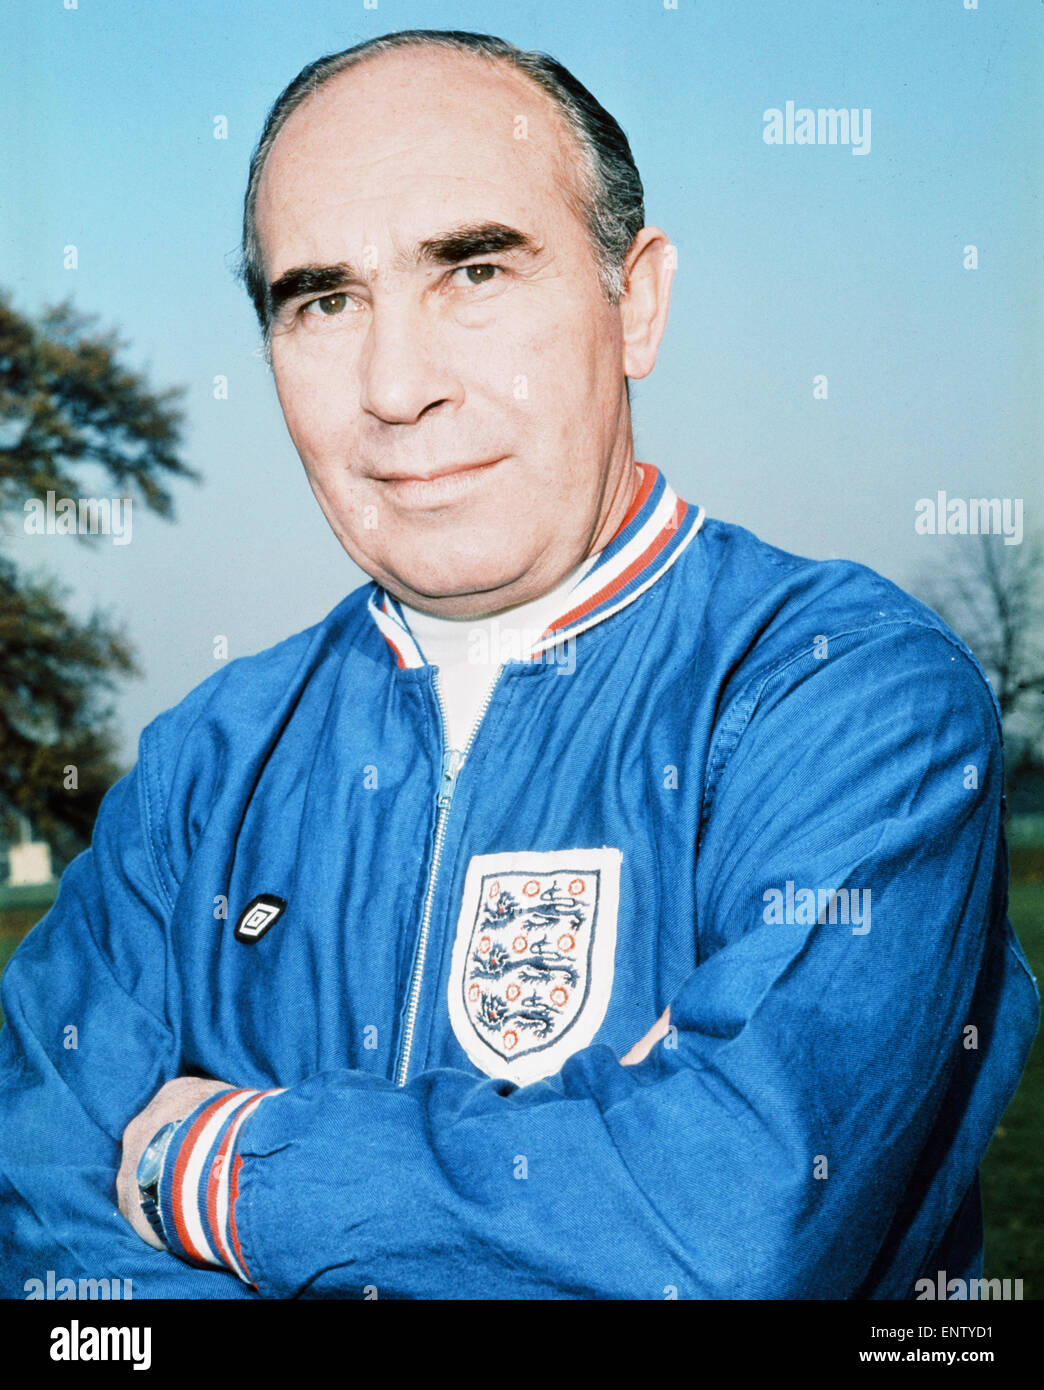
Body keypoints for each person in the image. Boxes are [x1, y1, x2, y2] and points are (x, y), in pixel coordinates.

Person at [0, 29, 1037, 1301]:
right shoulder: (201, 767)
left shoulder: (846, 693)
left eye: (475, 271)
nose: (394, 385)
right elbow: (44, 1231)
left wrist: (220, 1165)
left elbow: (728, 1226)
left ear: (635, 300)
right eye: (324, 300)